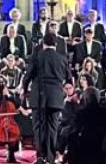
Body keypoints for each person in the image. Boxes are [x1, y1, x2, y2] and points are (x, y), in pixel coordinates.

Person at [25, 32, 69, 164]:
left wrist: (25, 88)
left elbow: (28, 76)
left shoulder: (37, 56)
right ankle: (50, 158)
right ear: (56, 44)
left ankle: (40, 156)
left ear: (43, 43)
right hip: (55, 97)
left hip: (39, 96)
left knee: (39, 127)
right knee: (53, 128)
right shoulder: (62, 58)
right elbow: (69, 78)